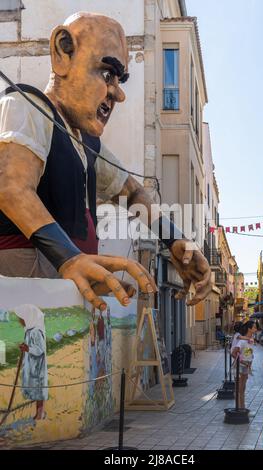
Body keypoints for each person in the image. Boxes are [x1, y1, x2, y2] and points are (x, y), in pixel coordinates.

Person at [0, 12, 211, 311]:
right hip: (22, 307)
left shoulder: (86, 142)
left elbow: (134, 192)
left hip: (64, 304)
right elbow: (11, 188)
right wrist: (70, 258)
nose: (119, 94)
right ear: (63, 52)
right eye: (107, 74)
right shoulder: (24, 107)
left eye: (120, 79)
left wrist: (175, 241)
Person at [14, 304, 48, 420]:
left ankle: (40, 413)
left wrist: (28, 349)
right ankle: (38, 413)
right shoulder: (29, 331)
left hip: (37, 366)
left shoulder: (36, 332)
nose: (20, 321)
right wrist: (26, 347)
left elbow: (40, 350)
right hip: (32, 364)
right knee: (35, 389)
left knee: (39, 390)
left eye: (22, 318)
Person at [232, 321, 257, 409]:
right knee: (239, 389)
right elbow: (233, 353)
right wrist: (243, 362)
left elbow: (247, 354)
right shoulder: (242, 341)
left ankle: (242, 408)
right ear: (249, 329)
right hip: (239, 367)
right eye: (254, 327)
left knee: (243, 389)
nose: (256, 329)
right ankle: (239, 409)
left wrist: (249, 363)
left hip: (246, 367)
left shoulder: (250, 340)